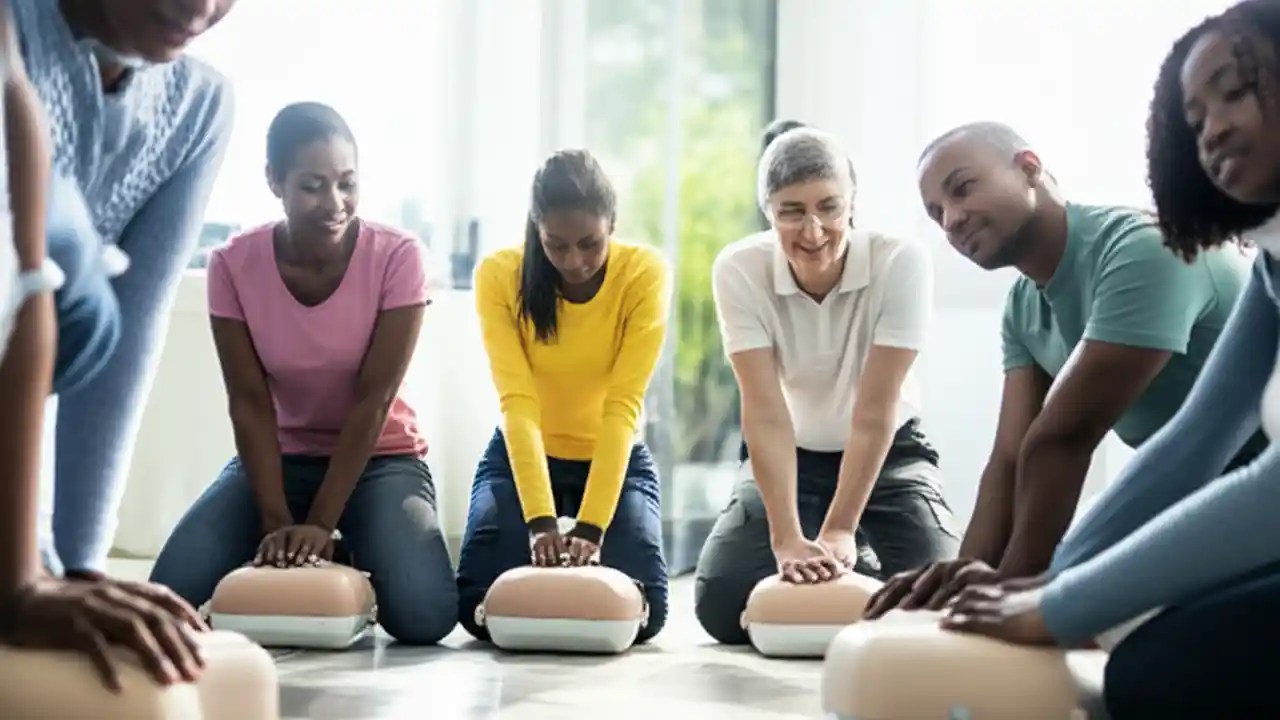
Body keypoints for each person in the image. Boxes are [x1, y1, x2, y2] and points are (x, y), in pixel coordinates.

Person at [940, 2, 1280, 716]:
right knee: (1149, 660)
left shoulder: (1138, 247)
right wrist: (1037, 582)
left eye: (1235, 91)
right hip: (1232, 517)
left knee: (1154, 670)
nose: (1212, 128)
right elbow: (1194, 438)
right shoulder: (1274, 264)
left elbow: (1265, 485)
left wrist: (1056, 597)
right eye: (1193, 119)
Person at [862, 120, 1266, 620]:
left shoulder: (1141, 247)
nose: (951, 220)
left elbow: (1064, 436)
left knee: (1133, 658)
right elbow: (1011, 457)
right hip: (1189, 499)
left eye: (962, 189)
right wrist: (964, 574)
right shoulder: (1022, 305)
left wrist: (1013, 585)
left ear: (1030, 168)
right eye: (936, 213)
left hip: (1256, 499)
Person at [149, 102, 457, 646]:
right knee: (168, 593)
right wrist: (275, 520)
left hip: (381, 459)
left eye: (347, 183)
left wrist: (319, 526)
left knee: (425, 616)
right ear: (275, 181)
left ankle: (349, 547)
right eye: (313, 186)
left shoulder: (399, 257)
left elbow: (374, 400)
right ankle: (294, 542)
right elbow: (248, 401)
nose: (334, 204)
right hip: (281, 459)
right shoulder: (230, 265)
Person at [0, 1, 206, 692]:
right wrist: (18, 578)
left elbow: (44, 296)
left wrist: (73, 568)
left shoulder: (196, 105)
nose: (203, 7)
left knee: (85, 306)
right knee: (66, 247)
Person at [693, 126, 961, 645]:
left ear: (852, 204)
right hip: (789, 450)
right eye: (791, 211)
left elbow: (875, 407)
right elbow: (765, 413)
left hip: (889, 453)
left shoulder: (901, 261)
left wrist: (839, 526)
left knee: (937, 602)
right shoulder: (738, 269)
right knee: (721, 606)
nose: (813, 230)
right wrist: (786, 538)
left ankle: (852, 547)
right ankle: (837, 551)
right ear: (767, 211)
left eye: (828, 208)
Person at [456, 149, 672, 644]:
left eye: (590, 244)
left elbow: (623, 406)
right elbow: (518, 402)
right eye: (556, 245)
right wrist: (540, 522)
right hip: (521, 457)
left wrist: (591, 528)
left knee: (649, 612)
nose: (574, 262)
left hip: (612, 456)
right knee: (475, 607)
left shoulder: (644, 273)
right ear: (536, 228)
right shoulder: (499, 275)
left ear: (612, 224)